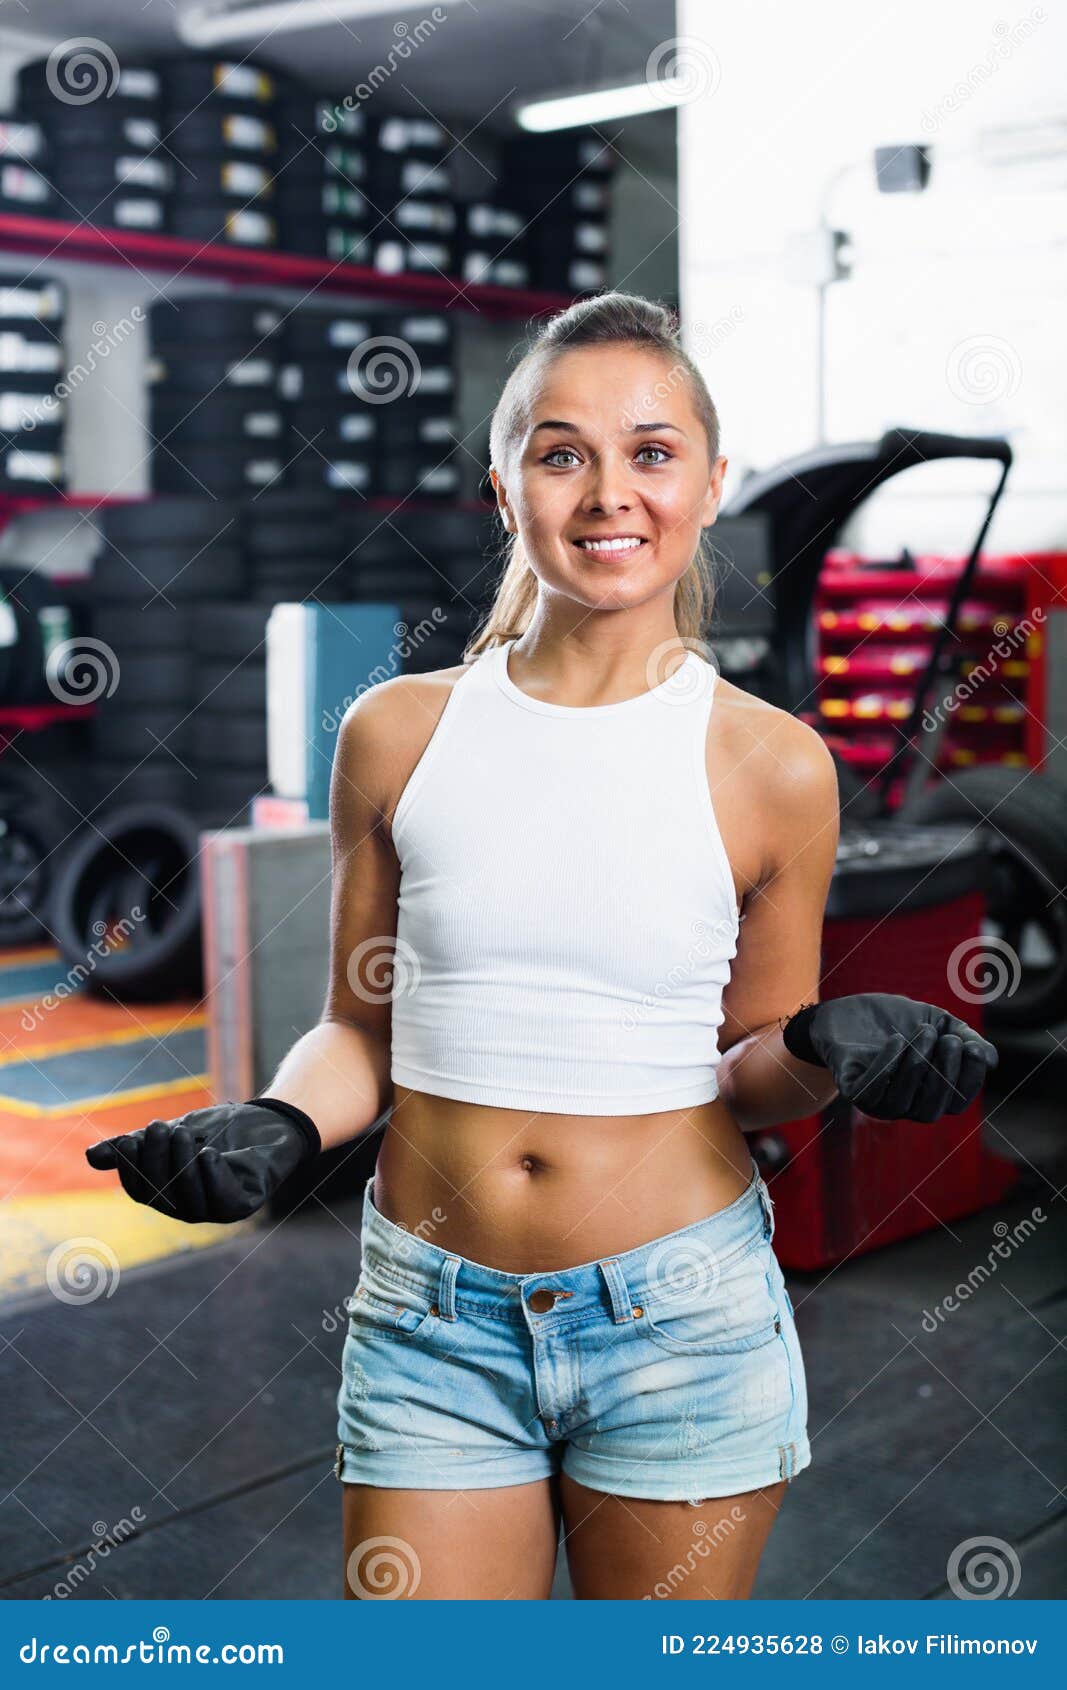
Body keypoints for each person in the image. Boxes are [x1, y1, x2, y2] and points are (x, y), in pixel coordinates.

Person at [86, 291, 998, 1601]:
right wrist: (285, 1123)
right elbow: (361, 1026)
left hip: (680, 1320)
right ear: (504, 486)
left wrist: (819, 1047)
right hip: (429, 1325)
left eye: (652, 450)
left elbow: (750, 1071)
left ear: (709, 483)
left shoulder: (774, 762)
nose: (609, 490)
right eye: (562, 450)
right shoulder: (395, 733)